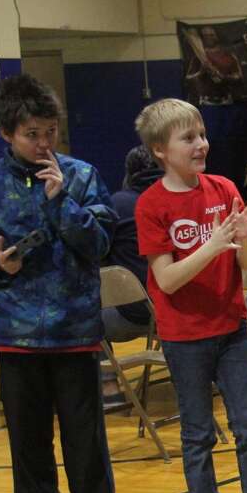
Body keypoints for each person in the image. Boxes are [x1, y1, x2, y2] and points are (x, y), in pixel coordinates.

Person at [0, 73, 139, 493]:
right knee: (27, 439)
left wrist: (62, 204)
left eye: (50, 132)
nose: (43, 143)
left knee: (86, 436)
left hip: (75, 329)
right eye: (32, 134)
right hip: (14, 333)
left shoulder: (80, 176)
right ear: (8, 134)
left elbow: (99, 243)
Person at [133, 98, 247, 493]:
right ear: (161, 150)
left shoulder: (223, 188)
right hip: (184, 337)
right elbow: (167, 280)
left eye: (201, 135)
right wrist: (214, 242)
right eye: (188, 138)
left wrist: (241, 238)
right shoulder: (152, 204)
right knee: (199, 435)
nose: (201, 144)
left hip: (231, 328)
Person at [103, 144, 162, 344]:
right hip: (182, 310)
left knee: (79, 316)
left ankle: (108, 373)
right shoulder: (180, 198)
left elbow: (96, 252)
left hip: (132, 314)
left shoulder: (118, 204)